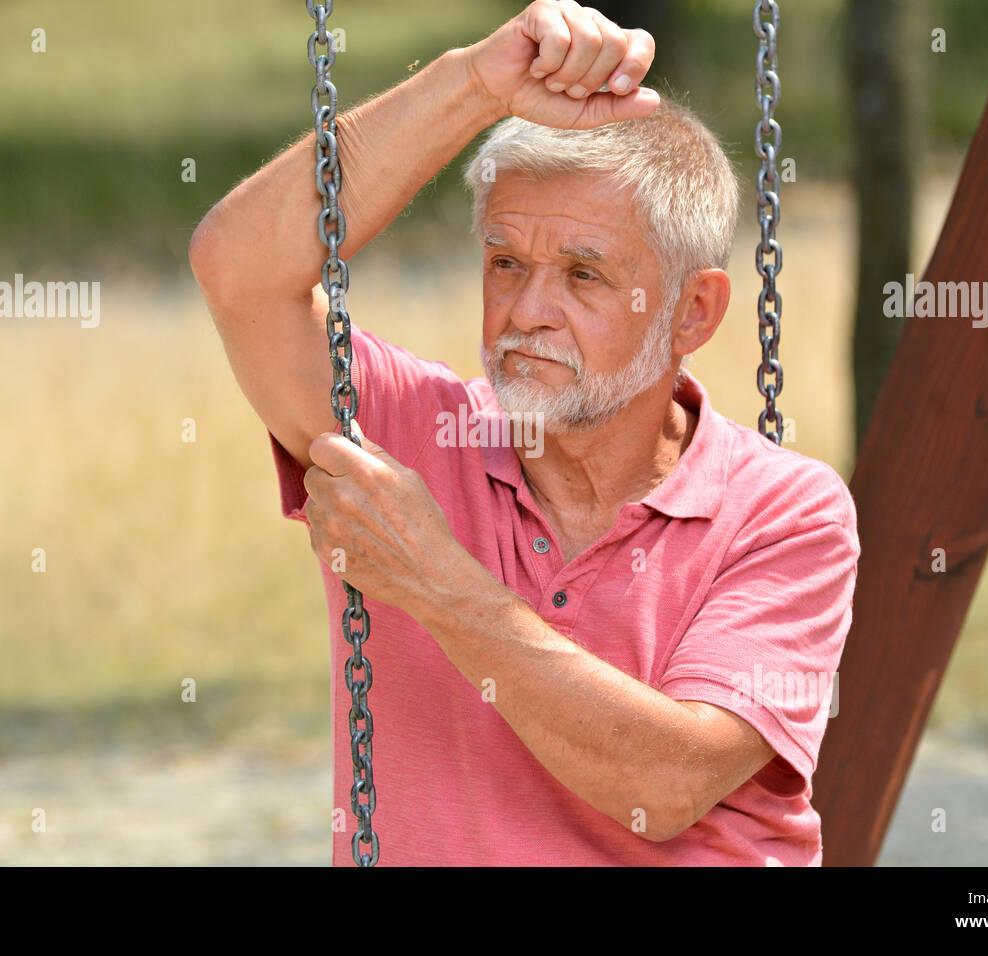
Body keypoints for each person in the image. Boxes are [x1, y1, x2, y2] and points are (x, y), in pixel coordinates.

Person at [189, 0, 859, 866]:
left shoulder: (787, 513)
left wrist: (437, 582)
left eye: (583, 275)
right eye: (507, 263)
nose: (526, 312)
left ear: (693, 311)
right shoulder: (415, 432)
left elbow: (665, 785)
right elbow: (237, 269)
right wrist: (473, 83)